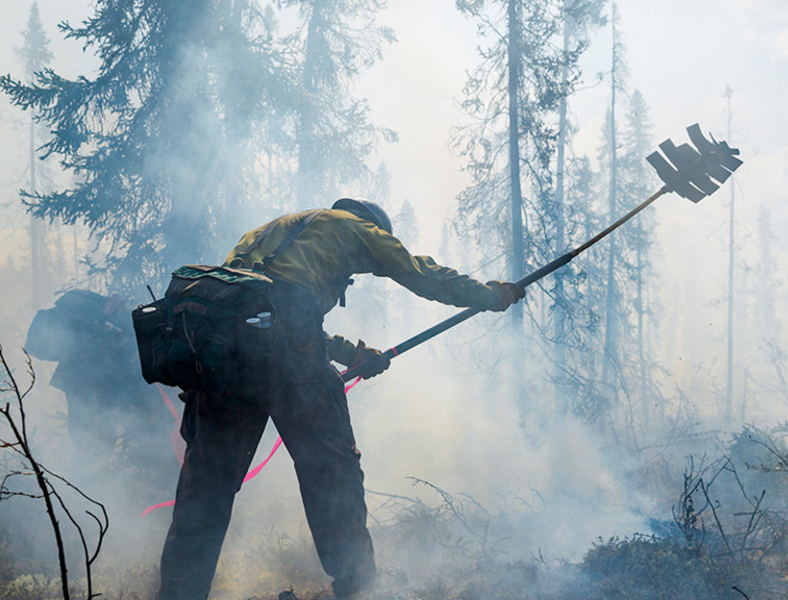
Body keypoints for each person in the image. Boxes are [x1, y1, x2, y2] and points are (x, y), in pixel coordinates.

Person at [155, 198, 525, 600]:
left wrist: (352, 355)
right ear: (373, 227)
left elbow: (264, 319)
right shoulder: (355, 227)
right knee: (332, 475)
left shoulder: (273, 232)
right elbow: (419, 273)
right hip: (290, 360)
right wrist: (487, 295)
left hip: (223, 364)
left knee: (205, 491)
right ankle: (359, 590)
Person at [26, 290, 178, 489]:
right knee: (92, 456)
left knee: (146, 448)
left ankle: (157, 498)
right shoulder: (89, 322)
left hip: (104, 387)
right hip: (92, 391)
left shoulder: (121, 322)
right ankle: (83, 505)